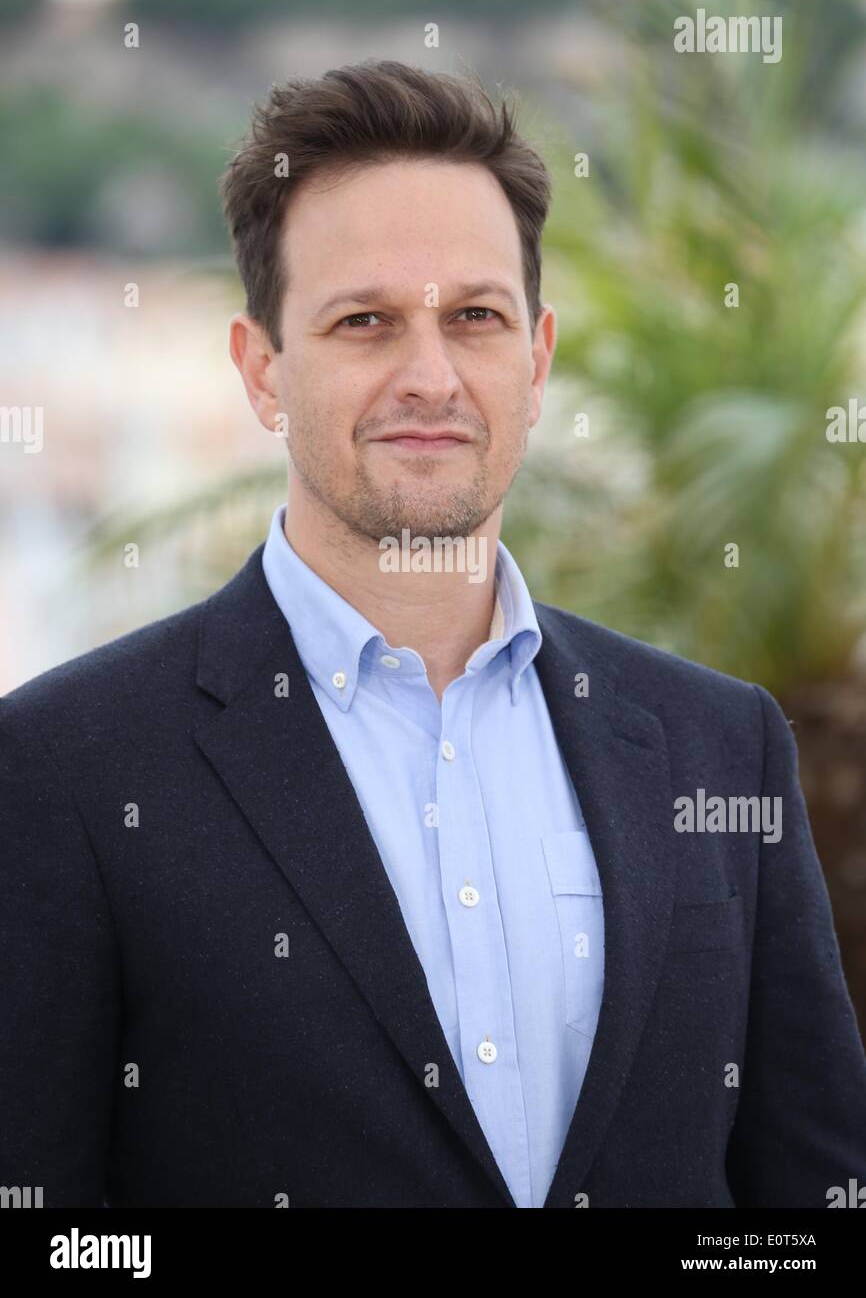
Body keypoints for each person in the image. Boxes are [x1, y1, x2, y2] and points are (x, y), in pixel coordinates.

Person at [2, 60, 865, 1209]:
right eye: (364, 321)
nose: (430, 375)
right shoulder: (67, 765)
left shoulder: (719, 745)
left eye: (473, 317)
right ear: (262, 371)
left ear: (537, 357)